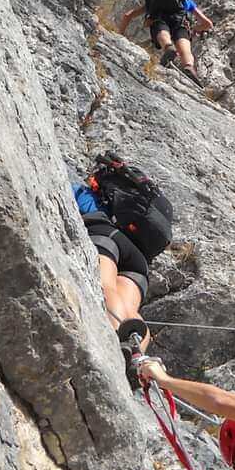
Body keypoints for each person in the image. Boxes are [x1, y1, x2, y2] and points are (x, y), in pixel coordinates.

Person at [71, 155, 173, 371]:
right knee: (131, 310)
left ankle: (116, 345)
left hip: (106, 236)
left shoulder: (85, 193)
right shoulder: (135, 209)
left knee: (106, 286)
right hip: (139, 262)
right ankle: (139, 361)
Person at [119, 0, 213, 86]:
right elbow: (207, 23)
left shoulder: (153, 2)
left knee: (159, 24)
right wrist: (195, 29)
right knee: (182, 36)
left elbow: (128, 15)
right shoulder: (185, 1)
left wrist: (120, 34)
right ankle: (189, 66)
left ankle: (168, 46)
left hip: (158, 14)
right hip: (180, 18)